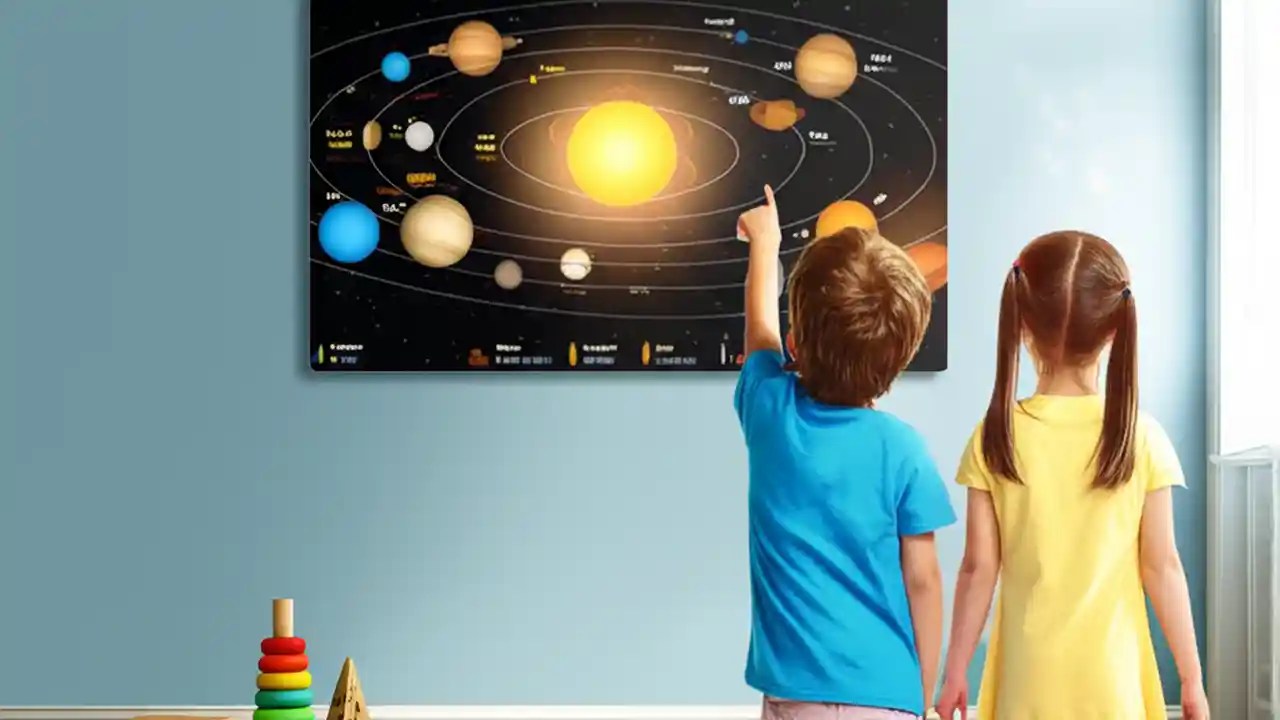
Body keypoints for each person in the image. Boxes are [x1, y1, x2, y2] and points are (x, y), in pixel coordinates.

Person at [934, 231, 1209, 720]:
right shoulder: (1139, 437)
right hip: (1113, 680)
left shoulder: (996, 434)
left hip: (1027, 679)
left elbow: (978, 570)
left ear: (1021, 323)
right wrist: (1191, 678)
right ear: (1112, 331)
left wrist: (955, 670)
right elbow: (1162, 567)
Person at [734, 186, 956, 720]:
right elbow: (923, 581)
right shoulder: (904, 449)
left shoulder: (770, 413)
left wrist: (765, 242)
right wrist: (922, 698)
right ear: (901, 357)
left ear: (796, 340)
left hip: (796, 695)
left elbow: (758, 332)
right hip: (889, 694)